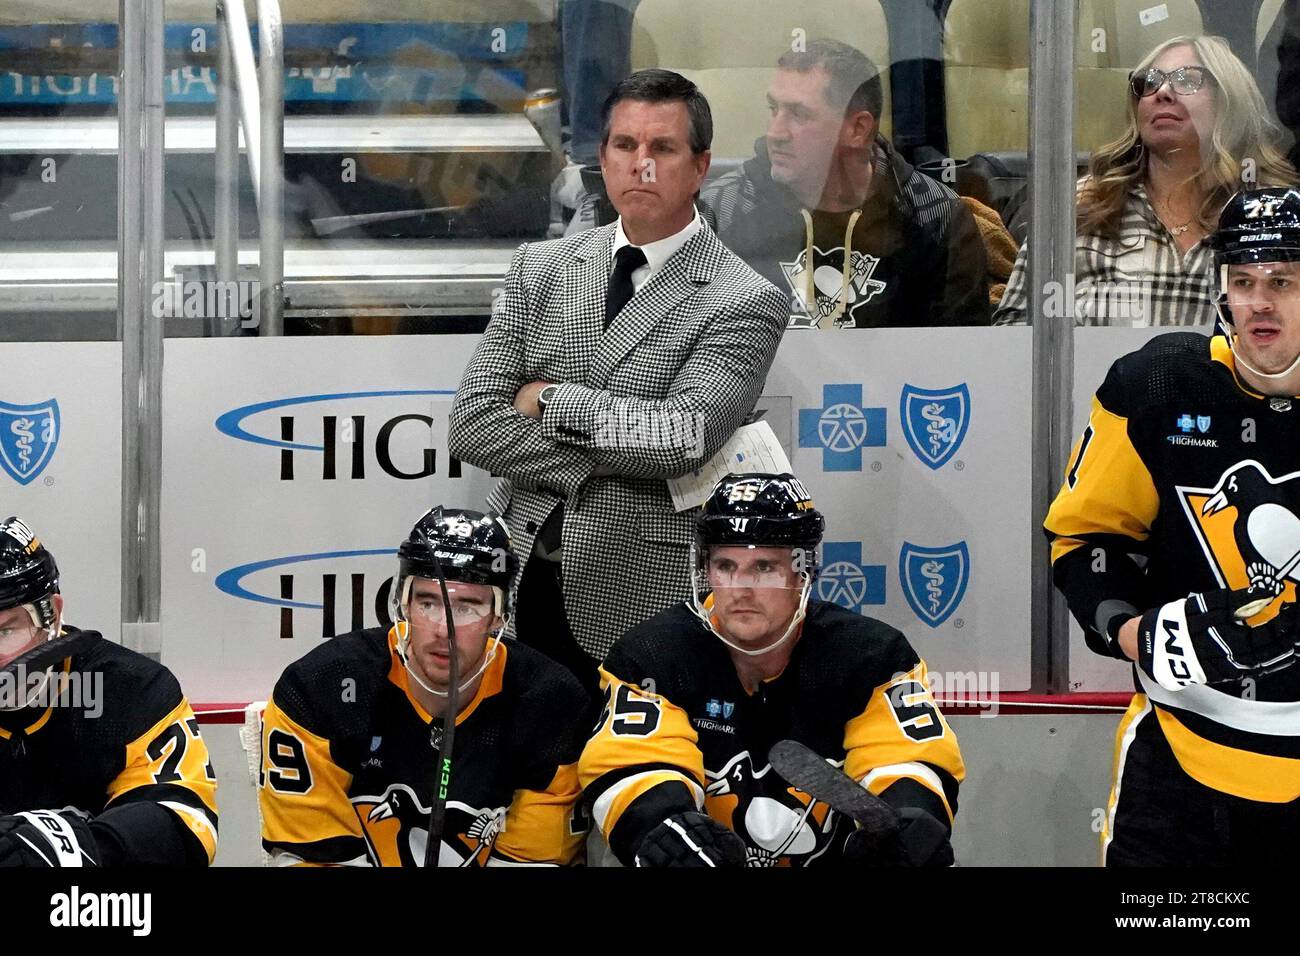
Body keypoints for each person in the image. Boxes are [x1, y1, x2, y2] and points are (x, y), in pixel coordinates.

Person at [449, 69, 788, 694]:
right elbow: (471, 423)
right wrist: (613, 446)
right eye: (625, 147)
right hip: (522, 582)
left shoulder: (746, 296)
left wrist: (548, 398)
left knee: (632, 782)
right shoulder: (541, 267)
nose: (642, 165)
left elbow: (683, 438)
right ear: (602, 159)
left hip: (642, 592)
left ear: (701, 165)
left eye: (662, 148)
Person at [1044, 187, 1300, 865]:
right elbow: (1086, 540)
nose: (1259, 303)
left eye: (1283, 282)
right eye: (1242, 281)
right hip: (1180, 755)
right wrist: (1137, 631)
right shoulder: (1156, 385)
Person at [579, 473, 965, 867]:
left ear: (803, 574)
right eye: (726, 565)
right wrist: (663, 831)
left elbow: (905, 761)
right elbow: (632, 764)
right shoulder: (652, 655)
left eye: (764, 567)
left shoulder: (872, 656)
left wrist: (904, 823)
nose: (741, 589)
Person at [258, 507, 595, 866]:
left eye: (468, 606)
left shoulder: (551, 703)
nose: (443, 629)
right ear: (402, 603)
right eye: (428, 602)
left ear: (499, 616)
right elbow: (315, 856)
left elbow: (532, 860)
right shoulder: (316, 689)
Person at [996, 34, 1296, 327]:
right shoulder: (1079, 207)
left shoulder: (1278, 214)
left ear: (1230, 100)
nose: (1161, 92)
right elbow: (1014, 333)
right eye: (1148, 82)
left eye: (1187, 80)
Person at [700, 38, 990, 329]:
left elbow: (964, 358)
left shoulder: (936, 217)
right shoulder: (720, 211)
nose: (775, 133)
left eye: (798, 114)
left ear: (857, 129)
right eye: (774, 109)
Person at [0, 516, 217, 866]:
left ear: (52, 616)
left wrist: (65, 848)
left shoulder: (132, 690)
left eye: (7, 631)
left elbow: (186, 824)